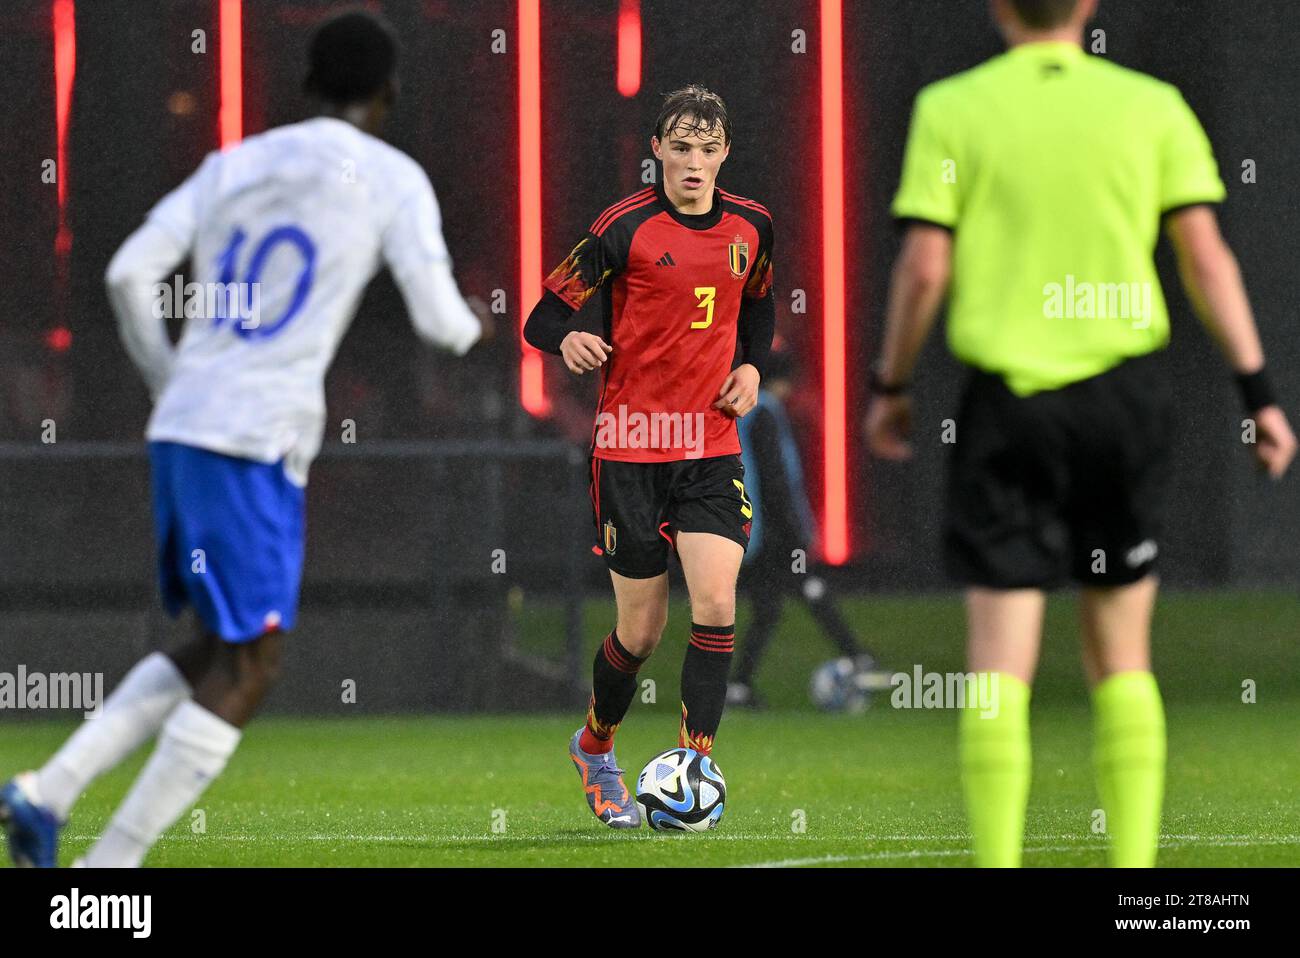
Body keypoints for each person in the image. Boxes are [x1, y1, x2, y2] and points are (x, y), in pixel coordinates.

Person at [1, 8, 486, 867]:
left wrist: (168, 380)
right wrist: (482, 326)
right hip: (252, 438)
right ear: (388, 91)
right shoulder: (391, 176)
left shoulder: (235, 163)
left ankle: (46, 793)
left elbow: (125, 273)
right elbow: (443, 324)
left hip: (188, 429)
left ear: (306, 85)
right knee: (254, 666)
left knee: (216, 644)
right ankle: (105, 869)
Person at [865, 0, 1296, 867]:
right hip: (1123, 403)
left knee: (996, 664)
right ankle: (1134, 880)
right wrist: (1260, 394)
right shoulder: (1152, 104)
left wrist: (892, 385)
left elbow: (923, 265)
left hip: (1010, 406)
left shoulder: (954, 106)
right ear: (1088, 7)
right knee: (1124, 654)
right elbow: (1207, 257)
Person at [524, 85, 775, 828]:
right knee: (640, 632)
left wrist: (753, 369)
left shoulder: (753, 227)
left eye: (708, 148)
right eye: (681, 147)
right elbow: (542, 316)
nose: (694, 162)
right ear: (657, 150)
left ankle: (694, 766)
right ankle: (596, 748)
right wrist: (565, 338)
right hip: (630, 450)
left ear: (725, 153)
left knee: (718, 603)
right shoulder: (621, 227)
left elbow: (757, 306)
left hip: (711, 448)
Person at [729, 347, 881, 709]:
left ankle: (738, 686)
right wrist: (796, 530)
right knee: (810, 588)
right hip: (774, 530)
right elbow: (776, 476)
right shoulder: (764, 410)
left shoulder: (741, 413)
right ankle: (857, 657)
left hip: (750, 527)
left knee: (768, 608)